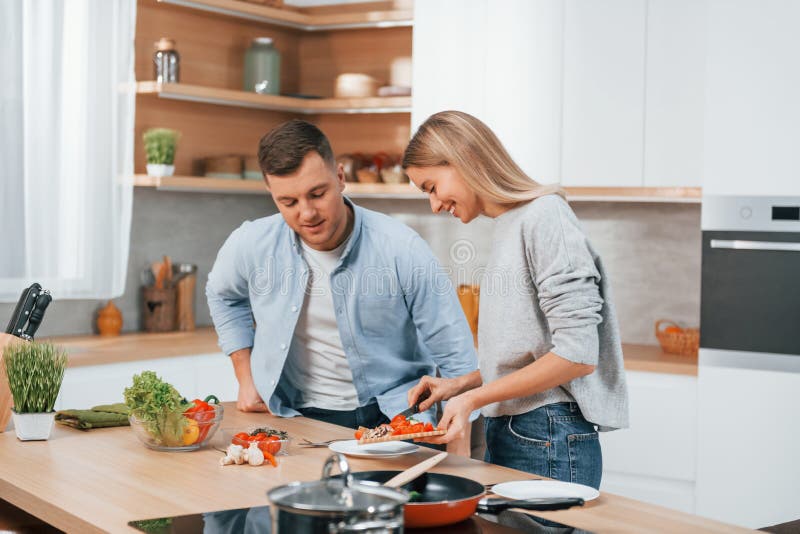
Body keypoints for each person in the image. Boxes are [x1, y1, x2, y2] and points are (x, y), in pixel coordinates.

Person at [206, 119, 477, 454]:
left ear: (340, 177)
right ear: (271, 194)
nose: (306, 213)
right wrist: (246, 379)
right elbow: (222, 296)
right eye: (288, 202)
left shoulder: (401, 248)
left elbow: (456, 357)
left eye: (317, 194)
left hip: (395, 418)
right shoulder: (251, 242)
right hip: (295, 418)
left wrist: (461, 466)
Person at [403, 111, 629, 488]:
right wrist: (461, 386)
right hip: (522, 431)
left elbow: (577, 354)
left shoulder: (545, 216)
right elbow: (533, 351)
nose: (435, 205)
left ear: (462, 160)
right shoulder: (512, 225)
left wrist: (473, 400)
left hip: (547, 435)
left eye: (431, 186)